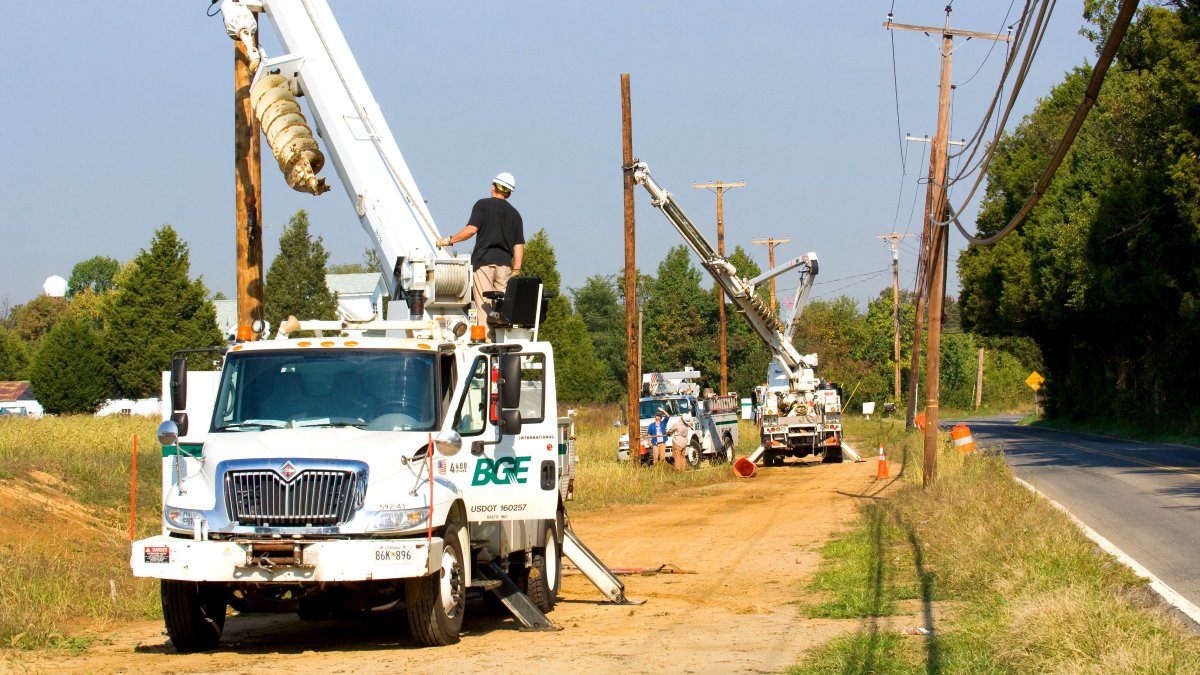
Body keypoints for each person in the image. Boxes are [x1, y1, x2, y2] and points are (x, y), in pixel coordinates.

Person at [436, 172, 524, 335]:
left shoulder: (483, 205)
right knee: (502, 308)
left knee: (485, 305)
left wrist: (449, 240)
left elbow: (470, 230)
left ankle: (488, 345)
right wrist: (516, 269)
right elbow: (519, 245)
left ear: (493, 186)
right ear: (509, 193)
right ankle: (502, 342)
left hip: (484, 262)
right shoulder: (515, 214)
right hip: (505, 266)